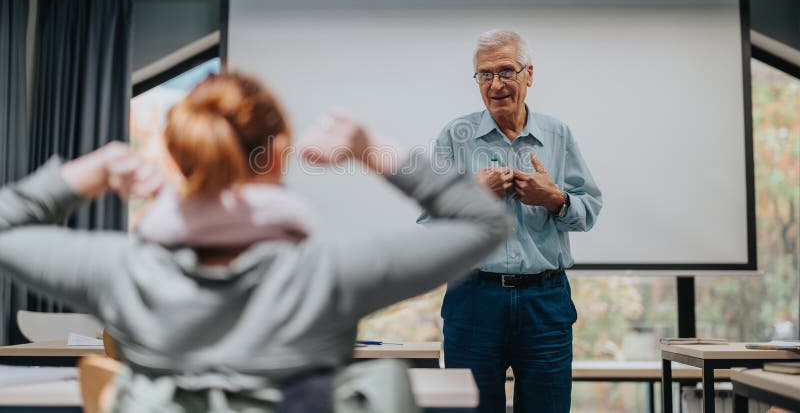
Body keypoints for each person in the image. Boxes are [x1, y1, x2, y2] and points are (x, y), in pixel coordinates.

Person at [0, 72, 511, 413]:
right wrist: (369, 148)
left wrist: (92, 171)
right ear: (280, 152)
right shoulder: (328, 272)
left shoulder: (125, 272)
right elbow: (484, 223)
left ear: (182, 159)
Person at [421, 30, 603, 413]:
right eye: (485, 75)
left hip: (545, 301)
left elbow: (589, 210)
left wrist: (553, 198)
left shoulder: (558, 135)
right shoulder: (455, 136)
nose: (496, 84)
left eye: (506, 71)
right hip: (473, 300)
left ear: (529, 75)